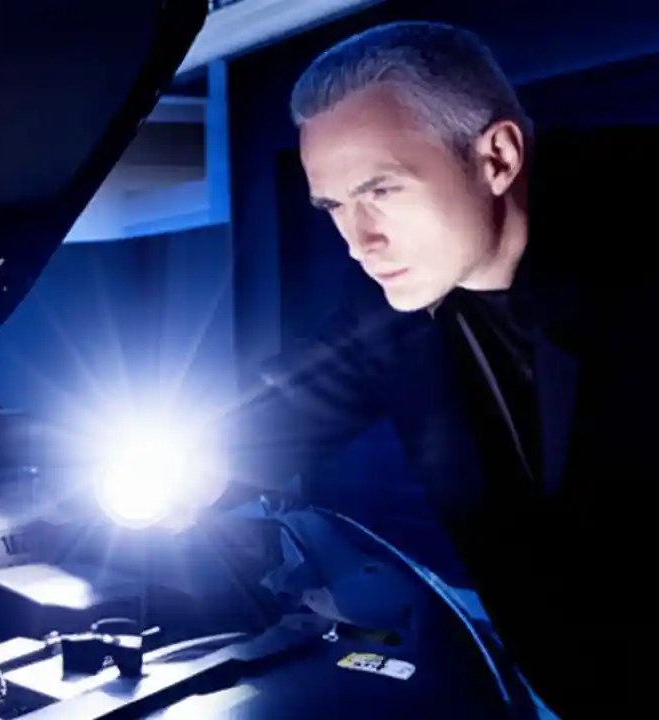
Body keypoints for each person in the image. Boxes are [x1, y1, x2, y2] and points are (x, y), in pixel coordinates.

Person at [226, 20, 657, 717]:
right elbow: (271, 417)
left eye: (383, 191)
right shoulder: (394, 301)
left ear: (496, 157)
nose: (359, 242)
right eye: (335, 207)